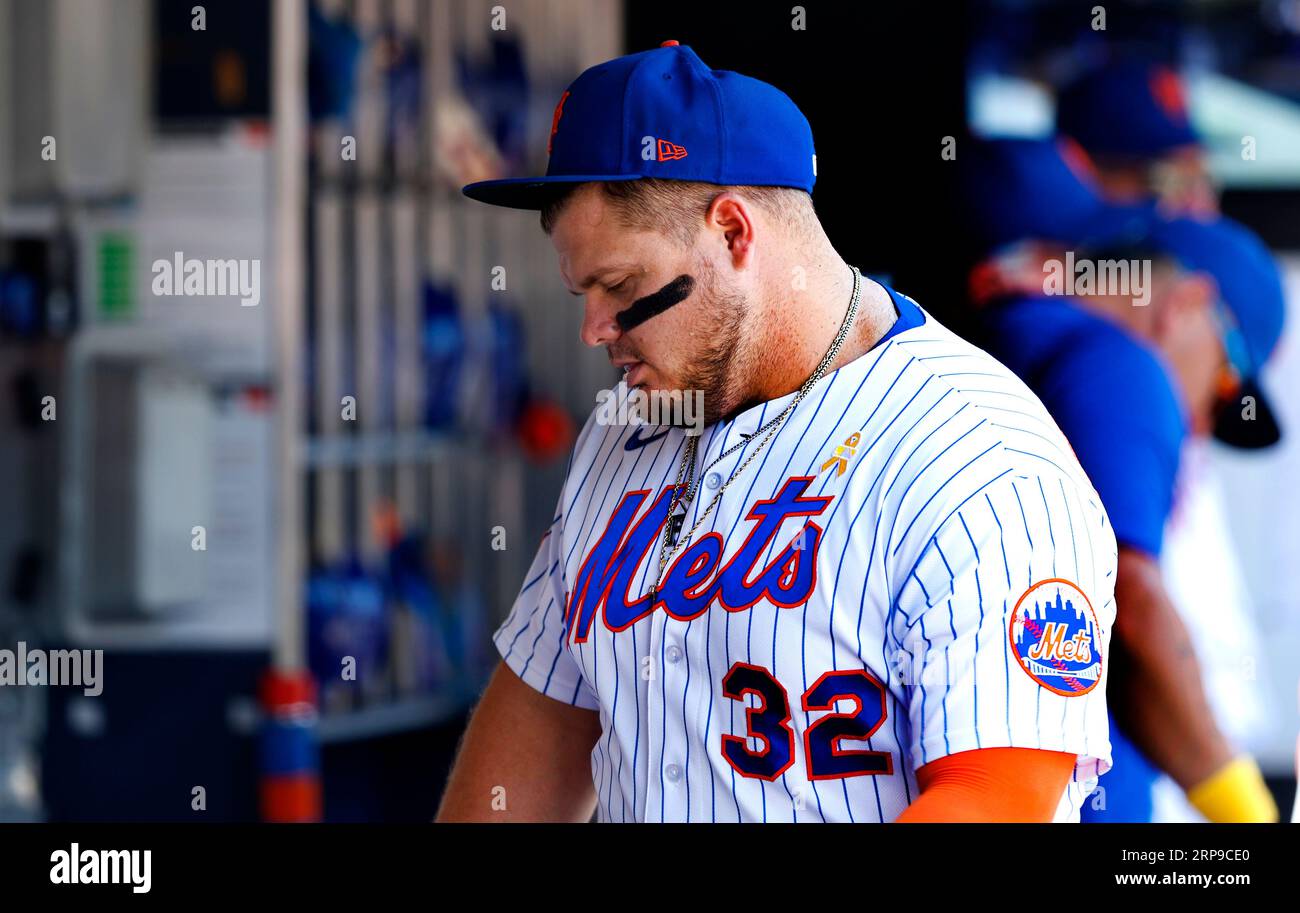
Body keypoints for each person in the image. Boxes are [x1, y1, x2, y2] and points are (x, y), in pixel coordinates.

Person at [435, 42, 1118, 823]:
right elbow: (543, 718)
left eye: (620, 287)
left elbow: (995, 800)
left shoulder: (978, 457)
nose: (594, 328)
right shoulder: (624, 427)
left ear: (732, 232)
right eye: (582, 290)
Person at [966, 137, 1282, 823]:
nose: (1201, 423)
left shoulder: (978, 334)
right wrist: (1248, 815)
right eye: (1224, 383)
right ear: (1188, 303)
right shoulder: (1123, 370)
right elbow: (1130, 605)